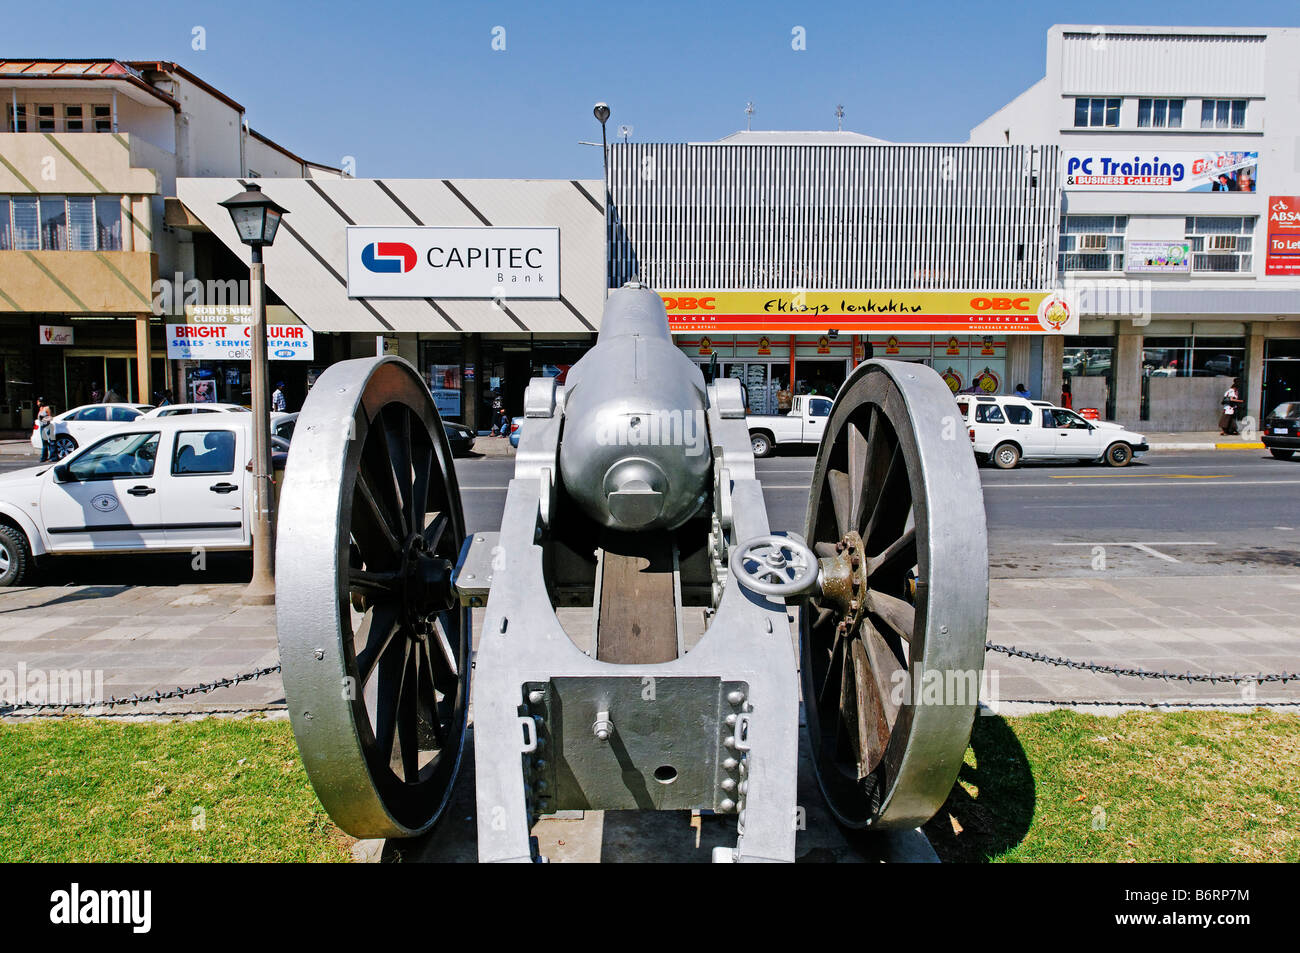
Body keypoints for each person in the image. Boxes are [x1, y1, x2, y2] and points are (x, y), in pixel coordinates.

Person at [36, 398, 53, 462]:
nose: (37, 403)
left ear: (41, 402)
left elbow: (50, 418)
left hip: (47, 426)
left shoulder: (47, 408)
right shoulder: (40, 409)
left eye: (38, 402)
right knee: (44, 443)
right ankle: (44, 457)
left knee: (51, 442)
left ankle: (53, 457)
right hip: (42, 427)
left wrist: (43, 419)